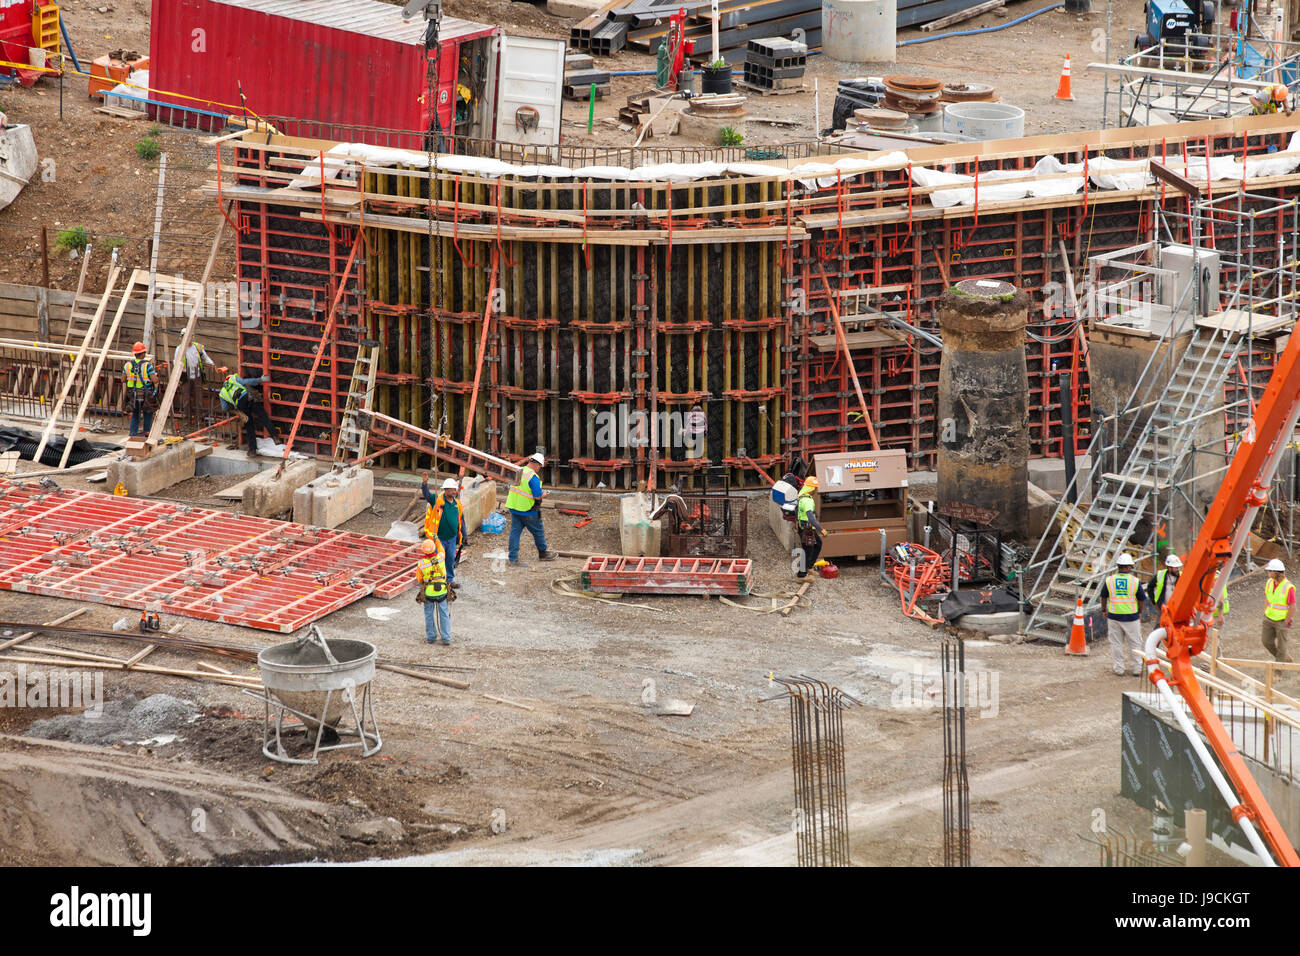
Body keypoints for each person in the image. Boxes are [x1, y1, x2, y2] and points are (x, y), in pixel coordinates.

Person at [1097, 552, 1147, 677]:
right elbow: (1141, 599)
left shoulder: (1110, 580)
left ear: (1118, 566)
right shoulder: (1135, 581)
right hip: (1131, 616)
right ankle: (1137, 669)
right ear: (1129, 567)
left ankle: (1119, 669)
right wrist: (1140, 612)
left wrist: (1104, 610)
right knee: (1135, 643)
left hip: (1114, 616)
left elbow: (1103, 596)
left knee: (1116, 643)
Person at [506, 451, 558, 567]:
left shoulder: (518, 471)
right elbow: (537, 496)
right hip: (529, 510)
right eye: (540, 466)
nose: (539, 468)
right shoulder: (533, 477)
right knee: (538, 531)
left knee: (515, 533)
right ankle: (543, 553)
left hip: (515, 508)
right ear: (537, 464)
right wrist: (545, 494)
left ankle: (513, 558)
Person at [420, 473, 467, 589]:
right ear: (446, 490)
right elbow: (426, 495)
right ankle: (435, 580)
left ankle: (450, 580)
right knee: (437, 559)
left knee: (450, 558)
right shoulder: (437, 501)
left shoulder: (458, 504)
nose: (454, 492)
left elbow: (461, 520)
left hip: (451, 537)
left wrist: (464, 535)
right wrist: (424, 483)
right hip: (439, 538)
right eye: (451, 490)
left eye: (455, 490)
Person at [415, 538, 453, 645]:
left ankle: (431, 637)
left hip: (429, 593)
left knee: (429, 614)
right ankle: (446, 638)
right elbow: (441, 549)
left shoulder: (421, 564)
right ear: (434, 548)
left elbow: (419, 579)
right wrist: (437, 540)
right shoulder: (441, 557)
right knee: (444, 614)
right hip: (442, 592)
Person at [123, 341, 159, 437]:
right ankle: (146, 434)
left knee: (135, 414)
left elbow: (123, 379)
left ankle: (132, 434)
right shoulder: (147, 365)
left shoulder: (127, 365)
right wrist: (156, 377)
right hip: (145, 393)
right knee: (148, 413)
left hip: (132, 393)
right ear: (142, 353)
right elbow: (154, 380)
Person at [173, 340, 215, 422]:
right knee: (186, 400)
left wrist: (211, 363)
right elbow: (176, 362)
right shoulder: (179, 348)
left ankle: (198, 419)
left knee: (198, 399)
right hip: (185, 376)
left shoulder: (197, 347)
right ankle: (187, 420)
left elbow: (205, 357)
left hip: (197, 376)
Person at [1262, 557, 1294, 663]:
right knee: (1266, 641)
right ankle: (1283, 658)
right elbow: (1268, 598)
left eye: (1270, 570)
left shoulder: (1288, 587)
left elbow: (1293, 607)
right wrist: (1265, 612)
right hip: (1268, 618)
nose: (1268, 572)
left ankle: (1278, 671)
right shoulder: (1269, 583)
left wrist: (1286, 621)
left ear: (1276, 572)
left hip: (1281, 621)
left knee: (1282, 646)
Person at [795, 475, 826, 579]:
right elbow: (811, 519)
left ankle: (809, 566)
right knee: (807, 551)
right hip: (806, 529)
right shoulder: (807, 501)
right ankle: (801, 575)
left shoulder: (802, 497)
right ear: (811, 488)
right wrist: (821, 529)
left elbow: (797, 511)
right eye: (815, 488)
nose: (816, 490)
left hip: (805, 528)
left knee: (817, 544)